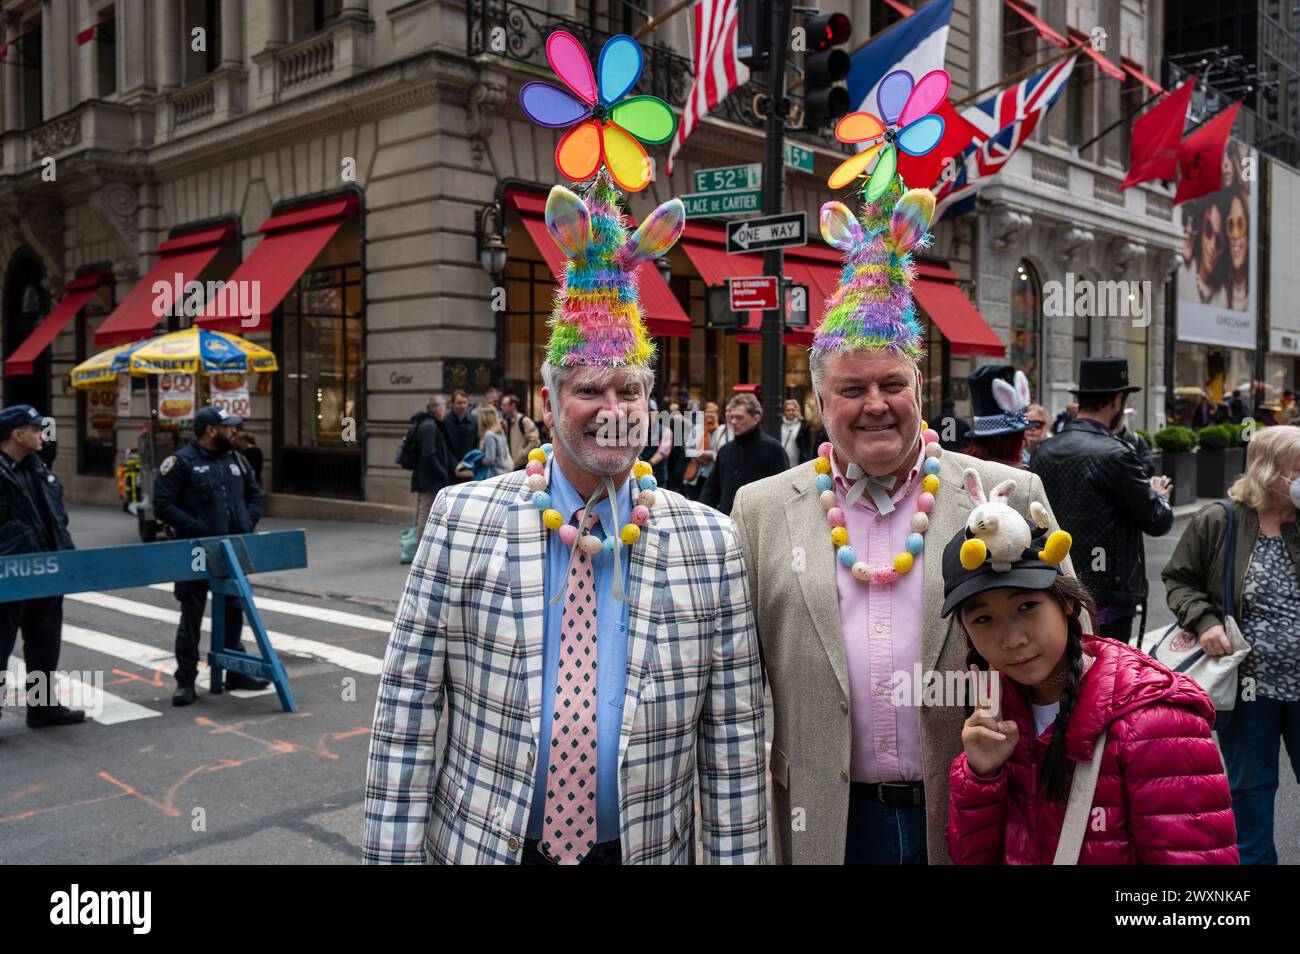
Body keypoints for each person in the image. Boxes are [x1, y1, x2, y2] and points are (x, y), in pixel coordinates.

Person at [364, 167, 766, 864]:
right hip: (490, 849)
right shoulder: (461, 519)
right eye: (589, 389)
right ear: (549, 404)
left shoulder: (711, 541)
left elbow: (731, 747)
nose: (612, 410)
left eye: (630, 389)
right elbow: (405, 715)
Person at [730, 182, 1073, 864]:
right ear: (820, 401)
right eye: (852, 391)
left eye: (893, 385)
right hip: (824, 826)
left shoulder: (1008, 490)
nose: (875, 405)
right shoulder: (761, 511)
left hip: (976, 815)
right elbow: (733, 686)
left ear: (921, 389)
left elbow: (1074, 656)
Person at [941, 487, 1238, 864]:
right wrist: (981, 775)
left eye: (1027, 606)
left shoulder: (1155, 720)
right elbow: (970, 856)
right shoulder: (995, 716)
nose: (1012, 639)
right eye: (983, 619)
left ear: (1067, 603)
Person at [1162, 425, 1300, 864]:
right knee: (1252, 795)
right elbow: (1179, 580)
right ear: (1270, 471)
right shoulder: (1219, 520)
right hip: (1248, 690)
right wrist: (1204, 622)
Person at [1031, 357, 1174, 645]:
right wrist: (1159, 494)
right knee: (1105, 680)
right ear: (1117, 400)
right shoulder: (1117, 454)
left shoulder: (1044, 451)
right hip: (1109, 597)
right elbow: (1157, 520)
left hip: (1055, 586)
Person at [153, 405, 269, 706]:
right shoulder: (180, 462)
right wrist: (195, 528)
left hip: (231, 550)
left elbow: (255, 495)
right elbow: (163, 504)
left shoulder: (237, 460)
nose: (234, 430)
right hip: (194, 551)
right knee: (191, 613)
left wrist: (248, 520)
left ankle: (234, 671)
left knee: (233, 610)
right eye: (228, 426)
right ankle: (186, 681)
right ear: (210, 431)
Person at [0, 405, 84, 728]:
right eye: (35, 429)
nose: (41, 434)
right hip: (10, 574)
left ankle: (43, 706)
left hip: (48, 570)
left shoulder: (38, 468)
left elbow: (57, 516)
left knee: (44, 642)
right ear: (16, 435)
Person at [699, 392, 786, 515]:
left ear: (756, 419)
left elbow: (781, 493)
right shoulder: (725, 451)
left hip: (758, 525)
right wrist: (701, 514)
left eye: (739, 418)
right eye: (732, 417)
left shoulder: (773, 449)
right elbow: (711, 490)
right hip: (727, 524)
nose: (733, 422)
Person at [961, 365, 1030, 469]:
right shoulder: (1025, 479)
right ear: (1004, 442)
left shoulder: (962, 470)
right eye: (1021, 436)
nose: (1027, 443)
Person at [411, 398, 453, 532]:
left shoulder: (428, 424)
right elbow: (429, 454)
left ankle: (419, 548)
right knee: (425, 515)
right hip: (429, 480)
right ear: (439, 410)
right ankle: (419, 549)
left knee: (424, 513)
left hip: (427, 478)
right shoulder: (429, 426)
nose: (446, 412)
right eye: (445, 408)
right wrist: (442, 472)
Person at [681, 401, 720, 501]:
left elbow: (721, 453)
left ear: (717, 414)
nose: (710, 414)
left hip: (713, 476)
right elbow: (687, 450)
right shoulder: (697, 429)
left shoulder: (721, 431)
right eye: (708, 411)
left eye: (713, 412)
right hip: (696, 475)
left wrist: (709, 454)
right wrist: (700, 454)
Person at [500, 393, 541, 469]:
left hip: (523, 465)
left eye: (504, 405)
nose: (501, 407)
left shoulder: (524, 420)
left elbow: (535, 441)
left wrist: (522, 454)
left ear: (513, 406)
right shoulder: (506, 421)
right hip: (512, 465)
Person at [473, 404, 510, 479]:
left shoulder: (489, 435)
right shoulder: (500, 432)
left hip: (492, 474)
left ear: (483, 419)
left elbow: (489, 459)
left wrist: (478, 461)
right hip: (503, 472)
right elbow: (505, 454)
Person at [1116, 409, 1154, 478]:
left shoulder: (1136, 439)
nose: (1116, 420)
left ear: (1123, 417)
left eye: (1118, 416)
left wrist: (1131, 470)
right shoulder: (1102, 438)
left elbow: (1148, 467)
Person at [443, 389, 476, 466]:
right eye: (459, 403)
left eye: (464, 403)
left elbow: (476, 443)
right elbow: (445, 446)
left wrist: (470, 463)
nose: (462, 406)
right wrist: (455, 465)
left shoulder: (474, 420)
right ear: (453, 404)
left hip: (469, 464)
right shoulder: (446, 421)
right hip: (451, 466)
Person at [779, 398, 813, 468]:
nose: (791, 412)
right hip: (781, 463)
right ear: (784, 412)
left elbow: (809, 447)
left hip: (798, 464)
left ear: (797, 411)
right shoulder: (779, 425)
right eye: (788, 410)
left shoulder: (804, 427)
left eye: (793, 410)